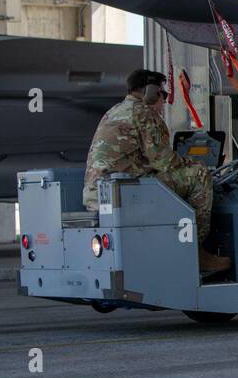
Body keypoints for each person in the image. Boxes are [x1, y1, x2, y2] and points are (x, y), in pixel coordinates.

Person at [82, 69, 230, 275]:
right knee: (199, 174)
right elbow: (164, 162)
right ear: (151, 93)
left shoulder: (114, 111)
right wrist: (192, 162)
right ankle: (195, 251)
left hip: (99, 194)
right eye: (164, 95)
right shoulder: (145, 113)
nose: (164, 102)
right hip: (126, 193)